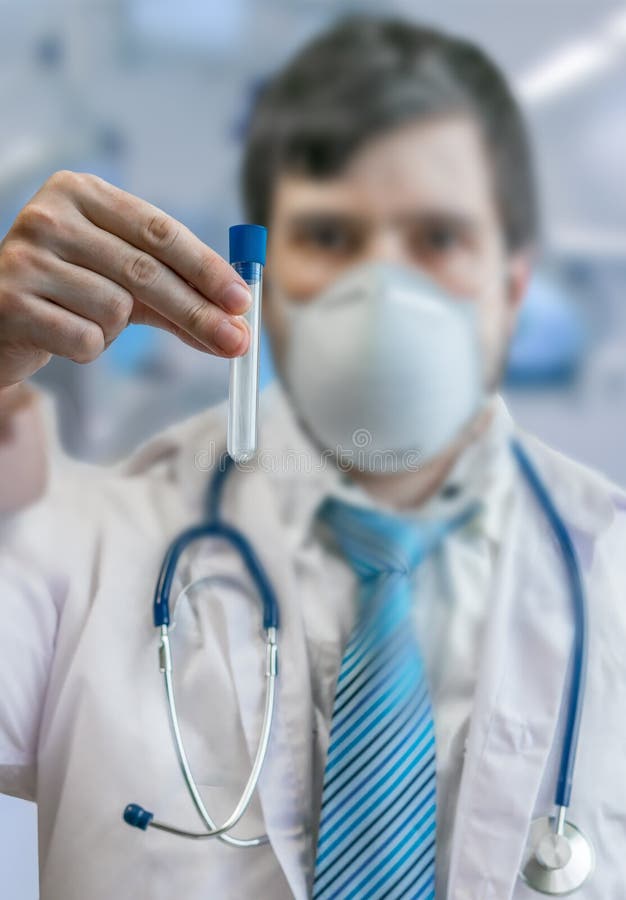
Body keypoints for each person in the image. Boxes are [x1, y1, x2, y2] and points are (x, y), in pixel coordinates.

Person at [1, 14, 625, 900]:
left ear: (513, 284)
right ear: (258, 287)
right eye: (330, 238)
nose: (382, 287)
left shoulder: (612, 573)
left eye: (437, 239)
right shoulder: (85, 548)